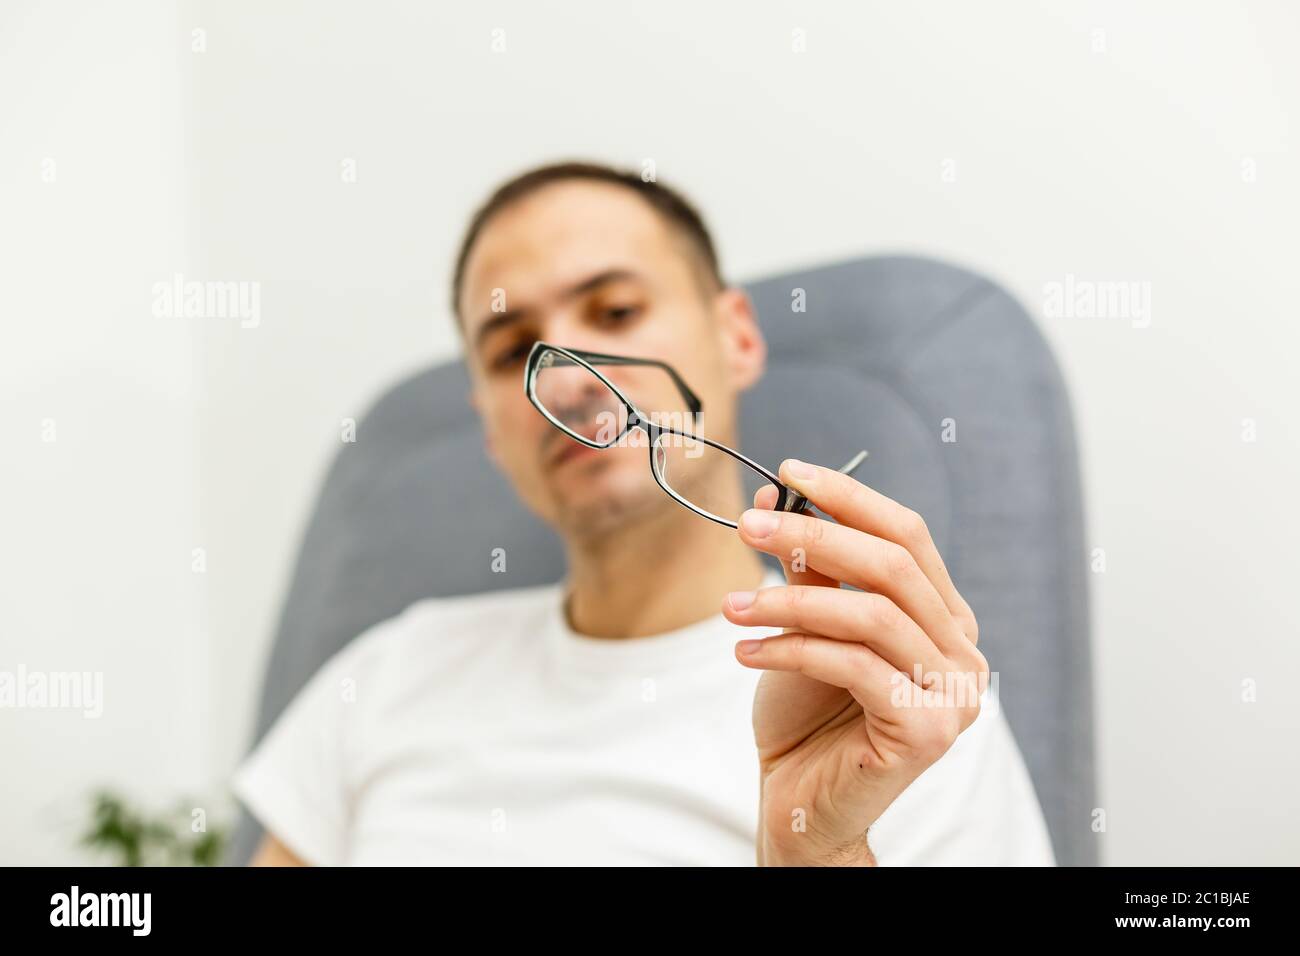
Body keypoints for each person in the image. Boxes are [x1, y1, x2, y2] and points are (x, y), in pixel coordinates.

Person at [233, 161, 1055, 866]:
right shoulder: (383, 679)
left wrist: (822, 851)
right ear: (489, 424)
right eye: (512, 350)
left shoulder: (895, 696)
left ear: (736, 337)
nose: (566, 378)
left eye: (617, 312)